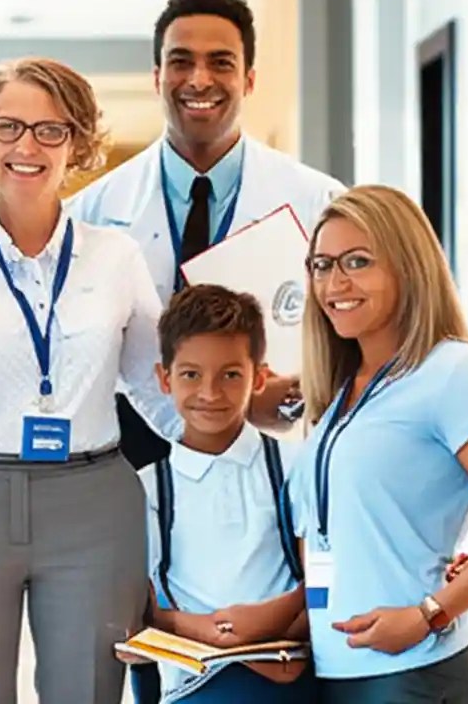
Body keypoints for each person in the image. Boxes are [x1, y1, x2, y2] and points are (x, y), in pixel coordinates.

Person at [0, 57, 180, 704]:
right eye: (8, 126)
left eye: (51, 130)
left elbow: (160, 389)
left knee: (88, 691)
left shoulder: (116, 257)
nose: (27, 146)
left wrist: (247, 421)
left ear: (77, 143)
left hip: (94, 500)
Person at [287, 185, 468, 702]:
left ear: (408, 267)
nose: (334, 283)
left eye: (357, 261)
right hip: (331, 670)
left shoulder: (455, 373)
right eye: (321, 265)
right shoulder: (342, 393)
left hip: (411, 671)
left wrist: (428, 614)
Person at [69, 0, 346, 475]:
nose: (199, 79)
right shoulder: (91, 212)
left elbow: (351, 338)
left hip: (268, 457)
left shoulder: (318, 202)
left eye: (220, 62)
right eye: (181, 62)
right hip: (131, 460)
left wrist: (296, 398)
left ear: (249, 79)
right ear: (157, 77)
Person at [121, 284, 319, 703]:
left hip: (287, 679)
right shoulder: (147, 489)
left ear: (259, 377)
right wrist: (202, 629)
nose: (210, 393)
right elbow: (145, 610)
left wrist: (260, 627)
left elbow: (321, 580)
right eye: (191, 375)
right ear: (164, 378)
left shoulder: (294, 467)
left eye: (230, 375)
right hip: (196, 686)